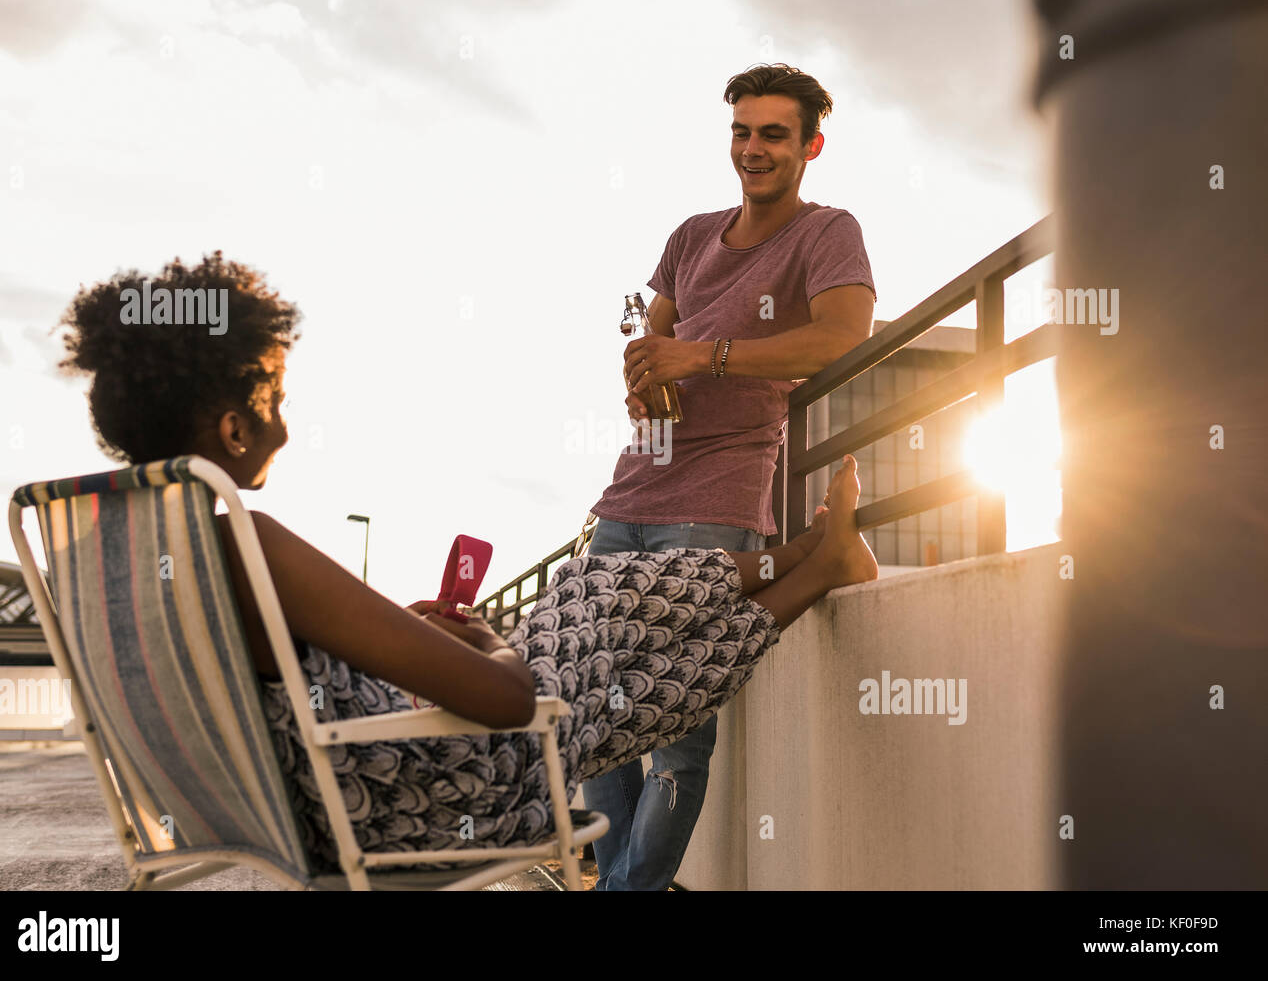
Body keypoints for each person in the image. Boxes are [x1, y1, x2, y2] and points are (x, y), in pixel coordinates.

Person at [56, 252, 879, 875]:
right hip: (447, 791)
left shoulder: (107, 561)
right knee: (605, 613)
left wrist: (404, 643)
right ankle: (805, 556)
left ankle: (810, 557)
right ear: (233, 429)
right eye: (274, 396)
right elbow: (508, 695)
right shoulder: (246, 541)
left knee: (607, 615)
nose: (285, 423)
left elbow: (269, 678)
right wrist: (486, 641)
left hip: (323, 803)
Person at [583, 62, 878, 889]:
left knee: (678, 725)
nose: (754, 149)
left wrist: (704, 356)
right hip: (630, 493)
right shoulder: (688, 235)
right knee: (590, 704)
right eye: (742, 132)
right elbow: (653, 345)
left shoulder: (827, 232)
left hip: (716, 504)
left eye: (773, 134)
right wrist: (643, 373)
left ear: (811, 144)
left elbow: (840, 335)